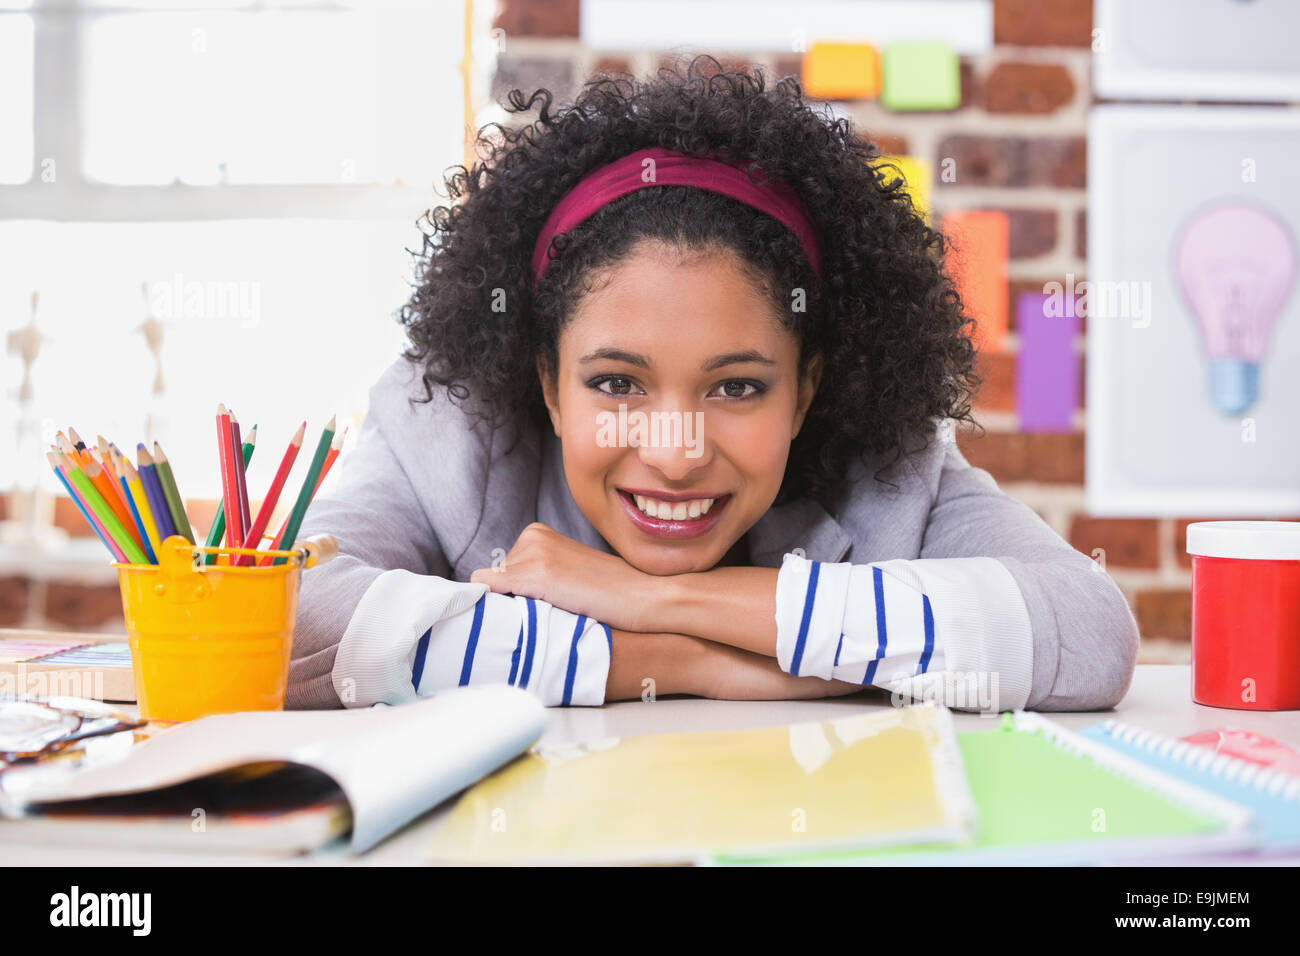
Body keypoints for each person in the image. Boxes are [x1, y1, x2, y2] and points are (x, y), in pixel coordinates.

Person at [287, 60, 1138, 714]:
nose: (677, 454)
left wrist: (658, 597)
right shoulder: (444, 433)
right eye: (616, 382)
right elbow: (284, 618)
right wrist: (671, 660)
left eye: (736, 389)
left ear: (805, 391)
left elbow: (1090, 631)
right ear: (548, 384)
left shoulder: (888, 473)